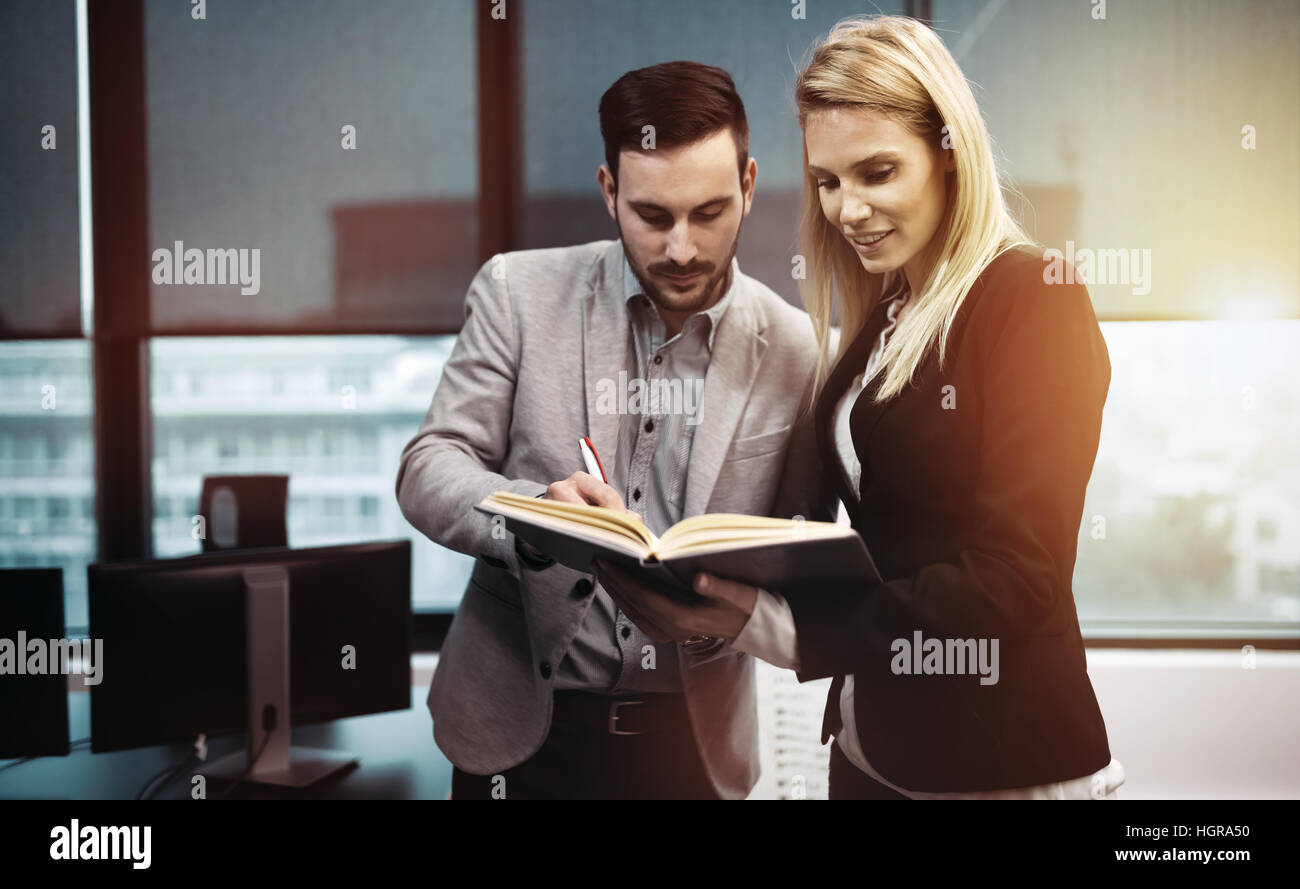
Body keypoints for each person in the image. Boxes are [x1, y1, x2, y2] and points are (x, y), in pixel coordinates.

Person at [595, 16, 1126, 799]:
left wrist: (760, 623)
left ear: (950, 153)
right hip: (871, 746)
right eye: (828, 181)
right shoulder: (886, 312)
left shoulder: (1030, 298)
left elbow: (1015, 579)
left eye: (877, 172)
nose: (848, 209)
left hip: (998, 761)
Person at [396, 61, 824, 799]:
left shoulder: (795, 347)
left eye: (710, 212)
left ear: (750, 186)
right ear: (609, 192)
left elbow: (803, 557)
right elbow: (430, 465)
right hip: (518, 729)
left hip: (692, 748)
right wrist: (529, 519)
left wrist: (725, 610)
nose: (682, 248)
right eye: (652, 216)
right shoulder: (516, 292)